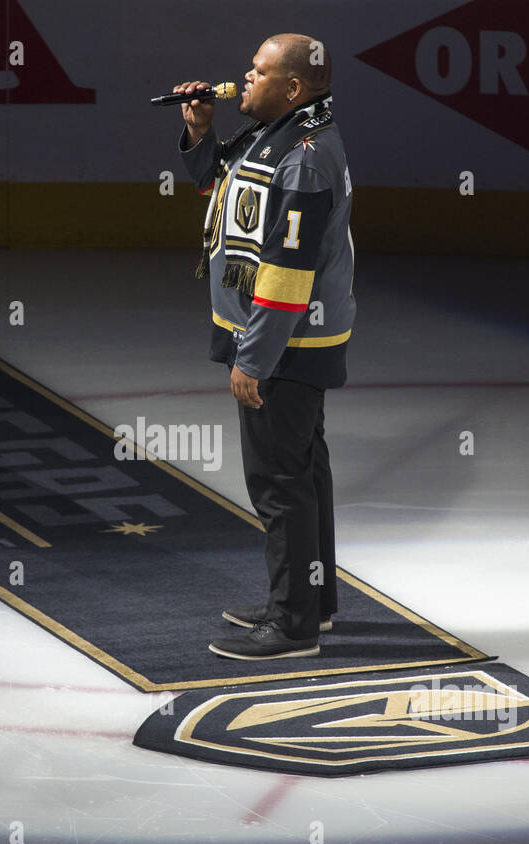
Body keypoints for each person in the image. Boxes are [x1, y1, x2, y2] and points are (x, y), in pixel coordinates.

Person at [173, 34, 355, 660]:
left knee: (279, 481)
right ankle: (313, 602)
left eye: (257, 72)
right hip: (289, 339)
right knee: (304, 471)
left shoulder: (303, 157)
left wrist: (254, 357)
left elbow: (287, 269)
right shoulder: (273, 134)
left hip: (287, 342)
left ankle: (293, 624)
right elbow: (219, 191)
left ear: (294, 88)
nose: (242, 80)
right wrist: (200, 129)